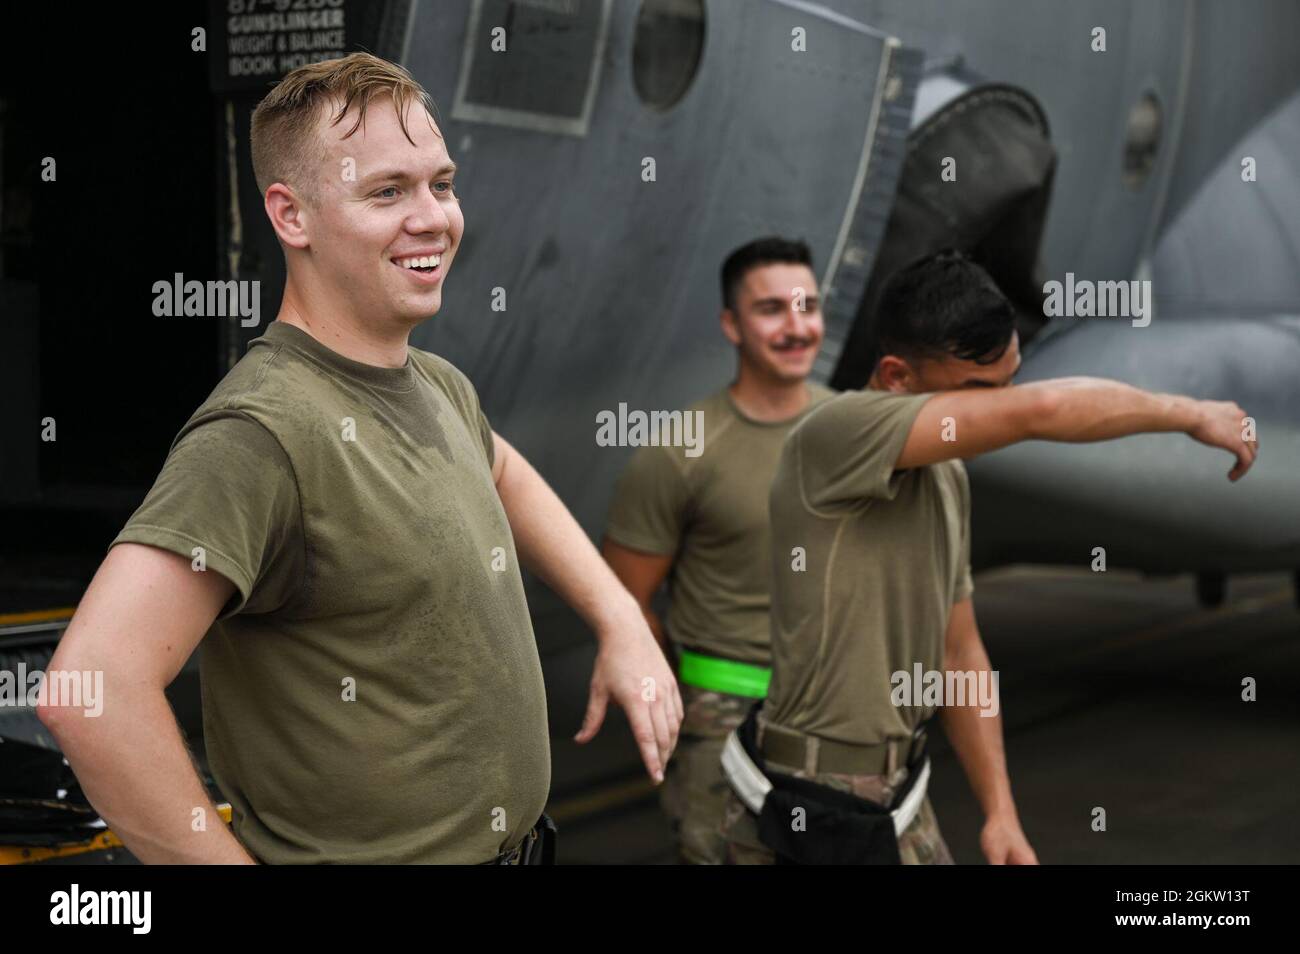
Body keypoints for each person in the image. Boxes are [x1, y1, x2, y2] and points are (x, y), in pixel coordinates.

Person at [37, 52, 680, 865]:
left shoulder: (435, 384)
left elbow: (502, 472)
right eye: (387, 191)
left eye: (440, 184)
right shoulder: (259, 432)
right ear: (290, 215)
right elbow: (88, 692)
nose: (435, 218)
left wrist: (618, 617)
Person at [720, 249, 1258, 864]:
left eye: (1007, 382)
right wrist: (1191, 413)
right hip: (808, 803)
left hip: (899, 798)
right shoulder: (836, 432)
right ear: (897, 377)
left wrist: (1000, 813)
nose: (996, 407)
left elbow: (959, 652)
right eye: (979, 393)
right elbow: (1041, 410)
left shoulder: (946, 473)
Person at [603, 237, 833, 863]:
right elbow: (625, 602)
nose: (797, 326)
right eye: (772, 310)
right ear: (731, 324)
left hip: (840, 720)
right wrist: (686, 708)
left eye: (808, 306)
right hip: (724, 732)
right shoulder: (680, 451)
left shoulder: (857, 435)